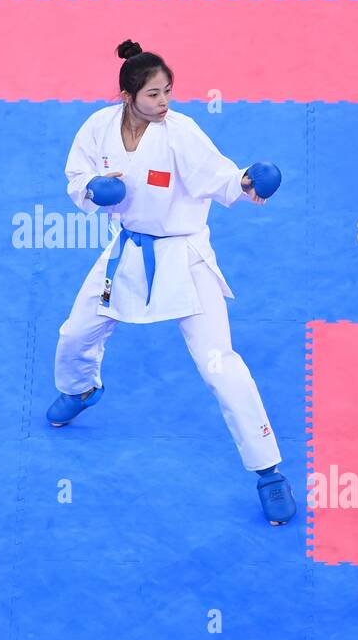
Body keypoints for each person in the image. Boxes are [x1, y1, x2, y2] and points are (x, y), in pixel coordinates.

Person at [45, 39, 297, 526]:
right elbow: (75, 178)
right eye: (154, 95)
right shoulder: (98, 127)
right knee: (75, 334)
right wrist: (92, 193)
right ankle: (80, 389)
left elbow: (220, 175)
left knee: (219, 364)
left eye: (168, 92)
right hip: (127, 253)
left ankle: (268, 471)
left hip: (185, 256)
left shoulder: (181, 132)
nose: (164, 103)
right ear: (127, 96)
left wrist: (247, 181)